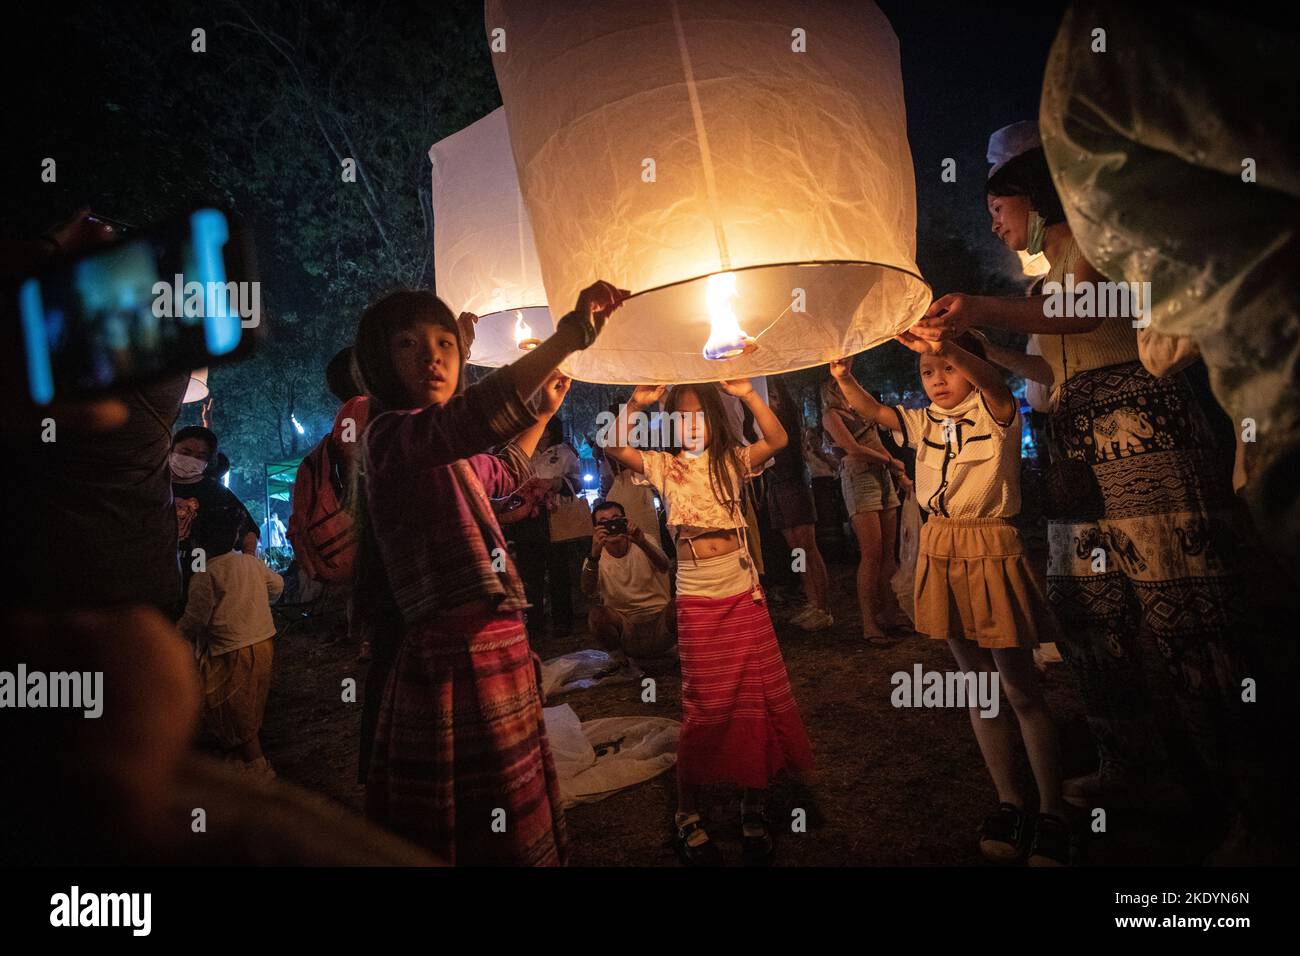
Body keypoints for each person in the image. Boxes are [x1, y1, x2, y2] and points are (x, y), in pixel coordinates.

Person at [909, 121, 1256, 819]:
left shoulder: (1096, 242)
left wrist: (978, 308)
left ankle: (1244, 800)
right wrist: (975, 344)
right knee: (1089, 613)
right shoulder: (1046, 277)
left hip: (1142, 436)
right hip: (1074, 448)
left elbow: (1086, 312)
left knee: (1183, 613)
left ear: (1033, 194)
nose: (997, 227)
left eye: (998, 210)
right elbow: (1042, 364)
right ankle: (1125, 759)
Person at [353, 279, 627, 865]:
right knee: (469, 818)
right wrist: (568, 336)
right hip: (451, 657)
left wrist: (542, 412)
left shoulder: (444, 449)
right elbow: (472, 418)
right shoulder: (389, 437)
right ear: (379, 360)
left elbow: (501, 470)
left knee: (512, 796)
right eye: (409, 344)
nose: (433, 357)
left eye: (445, 343)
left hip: (500, 647)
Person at [830, 337, 1070, 865]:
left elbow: (991, 379)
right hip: (941, 542)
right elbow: (871, 410)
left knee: (1019, 686)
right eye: (926, 370)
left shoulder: (997, 408)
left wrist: (951, 346)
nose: (936, 378)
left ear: (971, 367)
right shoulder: (922, 422)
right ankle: (1009, 801)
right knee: (977, 685)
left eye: (946, 368)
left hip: (989, 541)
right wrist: (845, 377)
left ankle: (1053, 809)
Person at [605, 379, 813, 866]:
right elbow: (615, 444)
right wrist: (637, 402)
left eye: (700, 413)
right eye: (682, 415)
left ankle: (752, 806)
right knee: (703, 705)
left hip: (740, 585)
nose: (692, 422)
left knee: (753, 699)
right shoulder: (664, 465)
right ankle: (687, 812)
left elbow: (778, 440)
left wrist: (747, 394)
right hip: (697, 591)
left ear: (713, 420)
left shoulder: (731, 461)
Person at [176, 507, 284, 777]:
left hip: (229, 650)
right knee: (249, 704)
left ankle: (257, 767)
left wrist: (176, 634)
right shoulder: (249, 563)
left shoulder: (206, 573)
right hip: (263, 643)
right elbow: (278, 586)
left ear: (198, 541)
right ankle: (241, 762)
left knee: (232, 709)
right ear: (235, 535)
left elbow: (196, 618)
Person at [821, 376, 910, 643]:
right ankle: (870, 624)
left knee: (887, 554)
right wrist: (890, 460)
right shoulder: (830, 415)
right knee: (871, 555)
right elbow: (852, 449)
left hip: (881, 477)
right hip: (859, 478)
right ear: (833, 389)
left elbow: (874, 443)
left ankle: (890, 615)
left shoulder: (859, 411)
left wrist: (897, 472)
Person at [765, 377, 832, 631]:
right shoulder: (763, 423)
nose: (769, 400)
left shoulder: (786, 424)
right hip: (777, 487)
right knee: (796, 550)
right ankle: (810, 600)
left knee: (807, 548)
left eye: (772, 395)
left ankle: (823, 607)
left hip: (793, 485)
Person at [582, 500, 674, 660]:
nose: (611, 526)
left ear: (625, 520)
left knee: (684, 603)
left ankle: (685, 652)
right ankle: (620, 661)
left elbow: (664, 566)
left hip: (660, 620)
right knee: (597, 615)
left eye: (616, 519)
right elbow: (587, 590)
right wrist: (594, 556)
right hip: (626, 627)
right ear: (596, 529)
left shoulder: (644, 540)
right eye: (604, 523)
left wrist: (642, 542)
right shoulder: (595, 557)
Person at [171, 425, 259, 592]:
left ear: (208, 461)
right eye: (185, 452)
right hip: (151, 581)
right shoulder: (154, 485)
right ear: (171, 449)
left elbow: (249, 529)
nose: (191, 459)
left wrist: (249, 565)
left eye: (200, 456)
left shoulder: (217, 492)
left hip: (200, 583)